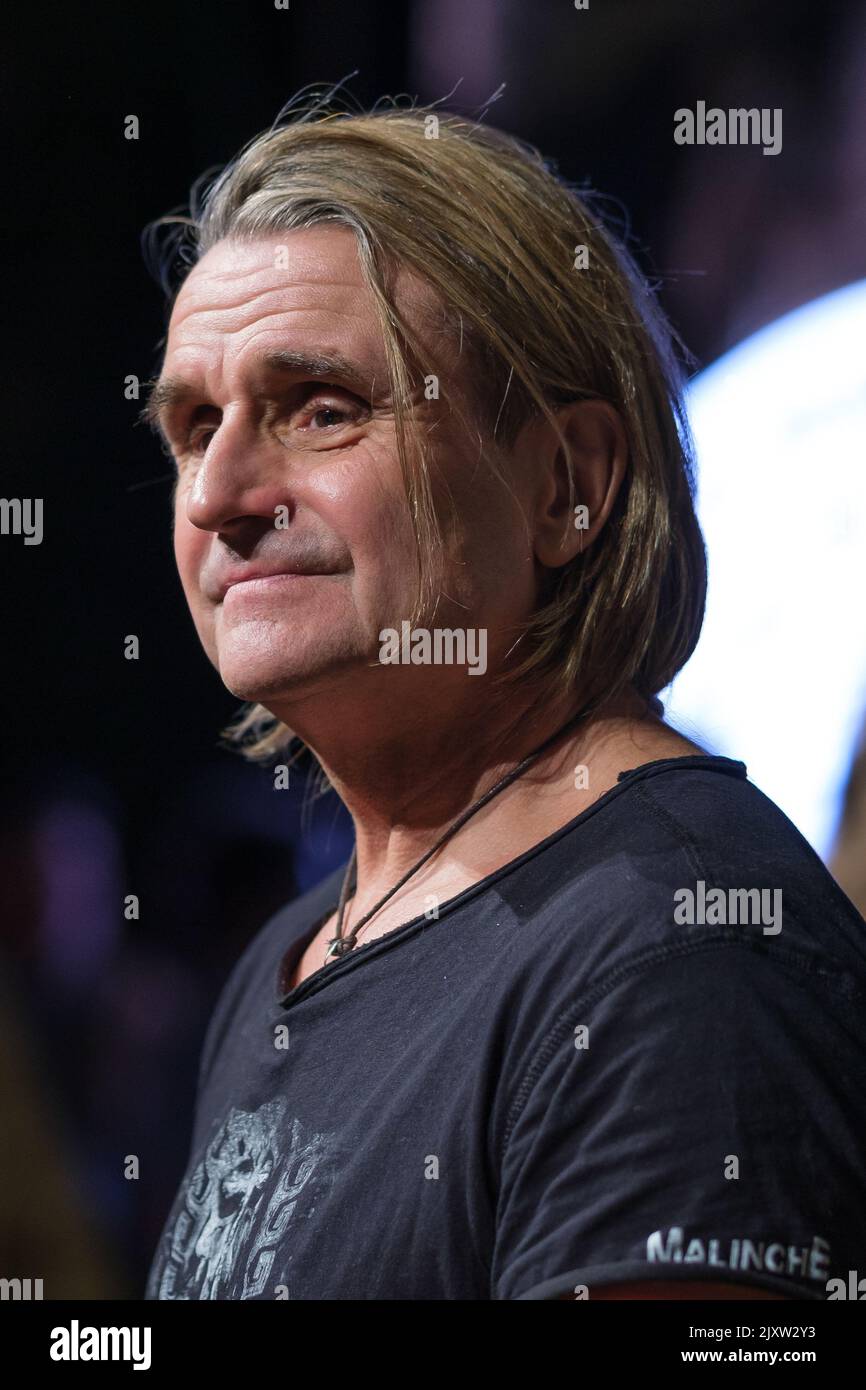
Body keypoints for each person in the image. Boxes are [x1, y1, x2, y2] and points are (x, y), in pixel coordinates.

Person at [142, 96, 866, 1300]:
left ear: (565, 487)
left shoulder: (676, 947)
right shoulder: (291, 953)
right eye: (191, 426)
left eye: (319, 409)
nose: (218, 492)